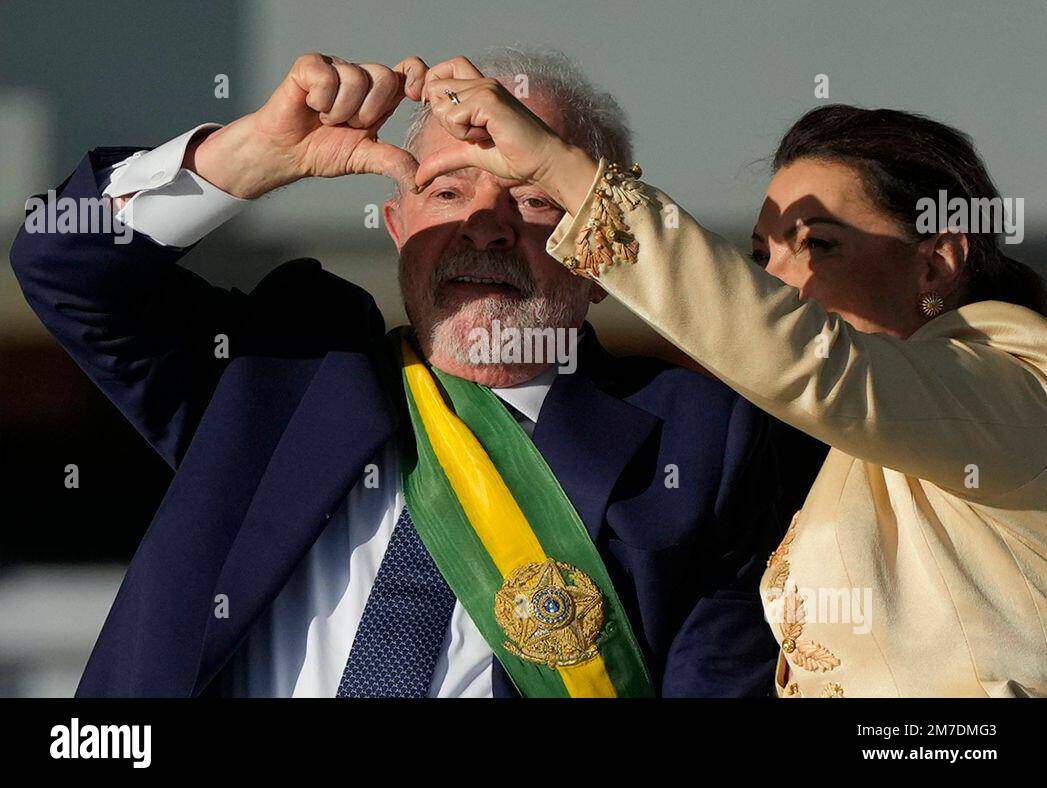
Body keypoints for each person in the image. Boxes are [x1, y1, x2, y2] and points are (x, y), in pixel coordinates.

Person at [10, 48, 810, 698]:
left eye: (533, 202)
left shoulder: (700, 440)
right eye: (445, 189)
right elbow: (62, 263)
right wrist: (242, 156)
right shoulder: (278, 371)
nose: (484, 226)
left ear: (603, 255)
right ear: (394, 228)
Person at [426, 61, 1047, 697]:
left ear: (936, 264)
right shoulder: (853, 443)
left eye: (817, 245)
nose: (777, 282)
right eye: (759, 258)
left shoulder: (1018, 374)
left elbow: (806, 360)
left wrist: (561, 171)